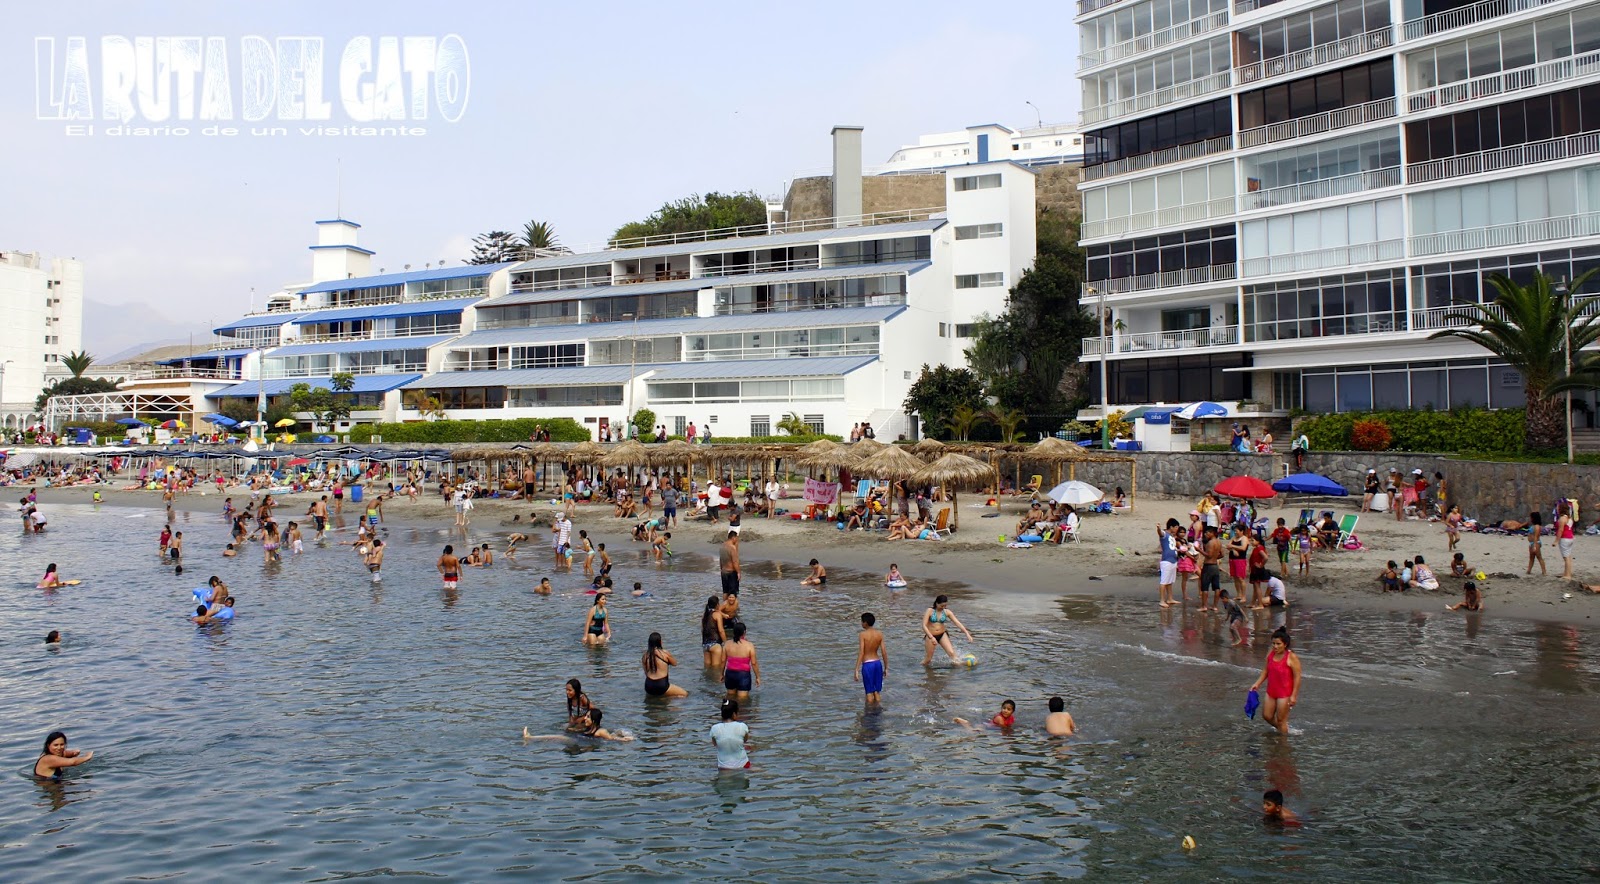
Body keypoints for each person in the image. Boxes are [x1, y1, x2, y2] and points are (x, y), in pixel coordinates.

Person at [1248, 628, 1302, 735]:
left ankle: (1283, 744)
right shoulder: (1271, 654)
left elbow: (1297, 677)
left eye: (1278, 644)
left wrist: (1294, 695)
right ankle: (1284, 731)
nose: (1275, 647)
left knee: (1281, 720)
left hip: (1285, 694)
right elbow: (1266, 671)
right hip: (1271, 691)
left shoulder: (1291, 657)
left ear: (1285, 644)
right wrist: (1257, 683)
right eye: (1273, 644)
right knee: (1267, 716)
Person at [921, 594, 974, 665]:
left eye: (945, 606)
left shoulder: (947, 612)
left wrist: (967, 633)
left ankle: (962, 667)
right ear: (937, 603)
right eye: (942, 606)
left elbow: (957, 623)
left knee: (952, 654)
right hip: (931, 635)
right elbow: (924, 625)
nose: (943, 607)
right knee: (928, 659)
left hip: (942, 634)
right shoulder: (929, 611)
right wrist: (931, 637)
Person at [642, 632, 689, 698]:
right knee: (685, 694)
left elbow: (646, 672)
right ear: (660, 642)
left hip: (648, 685)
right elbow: (674, 663)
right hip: (661, 685)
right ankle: (670, 704)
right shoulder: (664, 653)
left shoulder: (645, 656)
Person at [722, 621, 759, 699]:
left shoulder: (727, 644)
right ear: (744, 632)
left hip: (730, 674)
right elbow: (754, 663)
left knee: (730, 697)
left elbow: (723, 661)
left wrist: (722, 674)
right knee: (743, 701)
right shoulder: (749, 645)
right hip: (743, 675)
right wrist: (757, 677)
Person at [855, 612, 887, 703]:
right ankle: (878, 711)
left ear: (865, 623)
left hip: (868, 664)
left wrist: (856, 669)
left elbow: (861, 652)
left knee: (869, 691)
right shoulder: (879, 634)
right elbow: (884, 652)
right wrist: (886, 667)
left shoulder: (863, 635)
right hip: (877, 663)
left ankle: (869, 714)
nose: (861, 623)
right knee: (877, 691)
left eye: (862, 621)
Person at [711, 699, 751, 770]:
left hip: (723, 767)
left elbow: (715, 744)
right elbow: (745, 740)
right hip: (743, 765)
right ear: (734, 714)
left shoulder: (714, 728)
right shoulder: (742, 726)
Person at [1156, 520, 1179, 608]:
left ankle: (1170, 598)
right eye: (1176, 527)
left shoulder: (1172, 537)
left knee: (1170, 581)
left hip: (1173, 560)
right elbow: (1160, 533)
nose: (1177, 529)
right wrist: (1158, 528)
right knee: (1164, 581)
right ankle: (1162, 600)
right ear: (1171, 527)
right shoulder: (1165, 534)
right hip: (1167, 561)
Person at [1199, 526, 1223, 612]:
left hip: (1208, 566)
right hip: (1215, 566)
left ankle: (1204, 606)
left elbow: (1208, 555)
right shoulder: (1219, 542)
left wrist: (1199, 550)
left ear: (1212, 533)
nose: (1205, 534)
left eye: (1207, 533)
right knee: (1216, 587)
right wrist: (1215, 558)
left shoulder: (1210, 543)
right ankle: (1215, 606)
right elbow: (1222, 554)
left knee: (1205, 587)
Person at [701, 595, 726, 668]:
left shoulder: (705, 615)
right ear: (717, 604)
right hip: (715, 644)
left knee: (707, 668)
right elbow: (721, 631)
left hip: (705, 645)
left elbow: (702, 630)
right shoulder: (717, 615)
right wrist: (725, 643)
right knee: (716, 669)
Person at [1557, 501, 1576, 579]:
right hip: (1570, 538)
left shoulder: (1562, 519)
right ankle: (1566, 573)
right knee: (1568, 556)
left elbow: (1560, 530)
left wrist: (1556, 540)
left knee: (1566, 557)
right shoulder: (1569, 518)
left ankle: (1568, 575)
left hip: (1565, 538)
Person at [719, 531, 741, 596]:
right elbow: (735, 562)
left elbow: (721, 560)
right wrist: (738, 572)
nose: (737, 540)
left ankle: (724, 605)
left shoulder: (722, 546)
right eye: (736, 538)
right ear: (733, 538)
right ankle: (734, 606)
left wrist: (721, 569)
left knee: (725, 592)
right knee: (733, 594)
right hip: (731, 572)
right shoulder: (732, 547)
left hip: (723, 572)